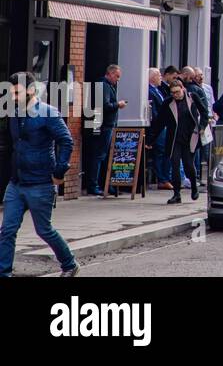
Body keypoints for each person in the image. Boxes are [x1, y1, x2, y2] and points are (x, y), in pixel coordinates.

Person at [0, 73, 78, 277]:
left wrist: (60, 171)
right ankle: (4, 272)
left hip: (41, 183)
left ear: (32, 90)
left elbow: (66, 141)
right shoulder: (13, 113)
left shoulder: (48, 113)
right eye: (11, 93)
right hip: (16, 183)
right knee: (7, 230)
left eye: (17, 92)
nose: (14, 97)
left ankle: (69, 264)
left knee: (44, 230)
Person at [147, 77, 208, 203]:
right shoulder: (168, 103)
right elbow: (160, 122)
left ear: (183, 89)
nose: (175, 95)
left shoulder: (192, 97)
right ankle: (176, 194)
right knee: (174, 165)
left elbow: (204, 112)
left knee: (188, 165)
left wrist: (202, 126)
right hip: (174, 138)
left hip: (190, 137)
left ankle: (194, 187)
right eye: (173, 93)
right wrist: (150, 140)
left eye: (177, 92)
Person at [87, 64, 128, 196]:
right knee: (99, 156)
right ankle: (94, 186)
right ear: (109, 73)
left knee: (104, 156)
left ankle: (105, 185)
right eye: (117, 76)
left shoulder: (107, 85)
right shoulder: (103, 85)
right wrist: (118, 104)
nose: (118, 79)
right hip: (104, 126)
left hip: (107, 125)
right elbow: (104, 105)